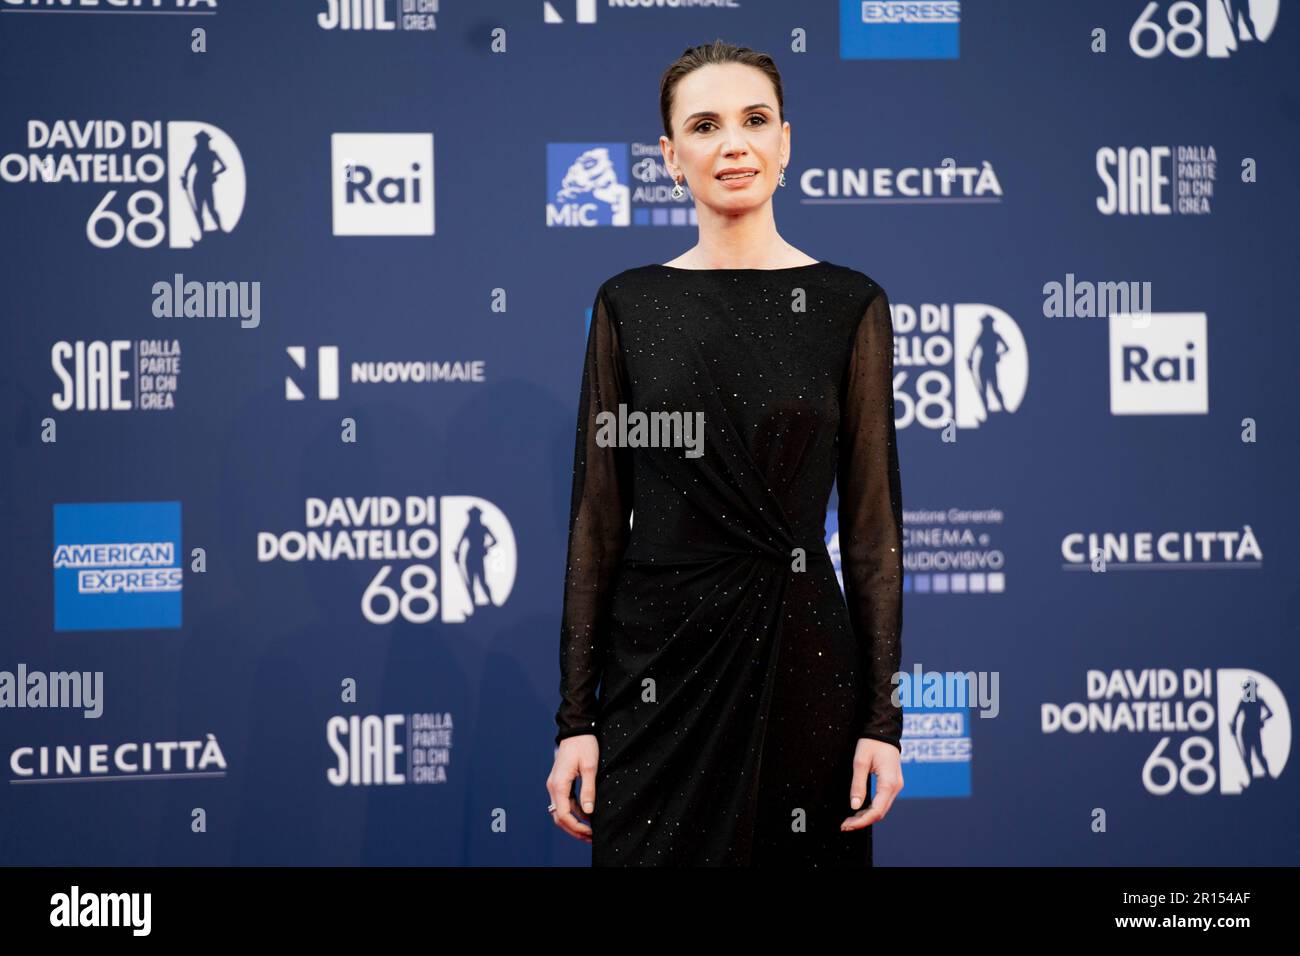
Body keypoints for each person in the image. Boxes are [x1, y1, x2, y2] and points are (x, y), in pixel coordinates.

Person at [546, 39, 905, 866]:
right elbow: (597, 523)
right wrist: (577, 720)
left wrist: (881, 725)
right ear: (671, 158)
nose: (733, 144)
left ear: (786, 141)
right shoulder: (628, 306)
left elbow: (874, 527)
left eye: (754, 120)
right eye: (704, 126)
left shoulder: (850, 304)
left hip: (802, 663)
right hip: (656, 674)